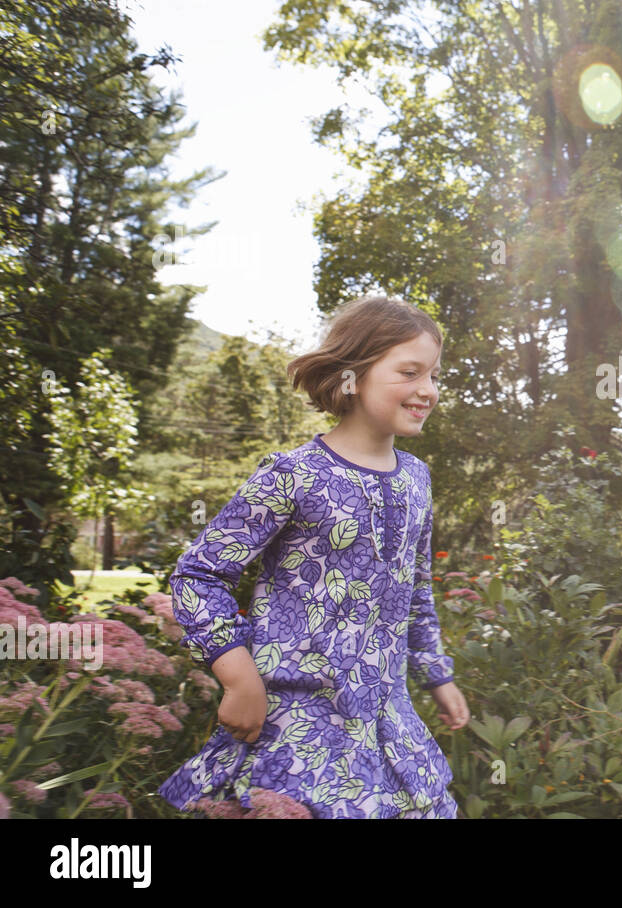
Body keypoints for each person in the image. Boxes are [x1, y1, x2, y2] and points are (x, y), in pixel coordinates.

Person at [157, 296, 469, 818]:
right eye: (410, 372)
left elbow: (416, 591)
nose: (428, 390)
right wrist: (239, 678)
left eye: (434, 375)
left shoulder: (417, 480)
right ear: (353, 376)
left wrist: (436, 674)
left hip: (389, 727)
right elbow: (198, 575)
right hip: (297, 730)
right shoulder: (295, 475)